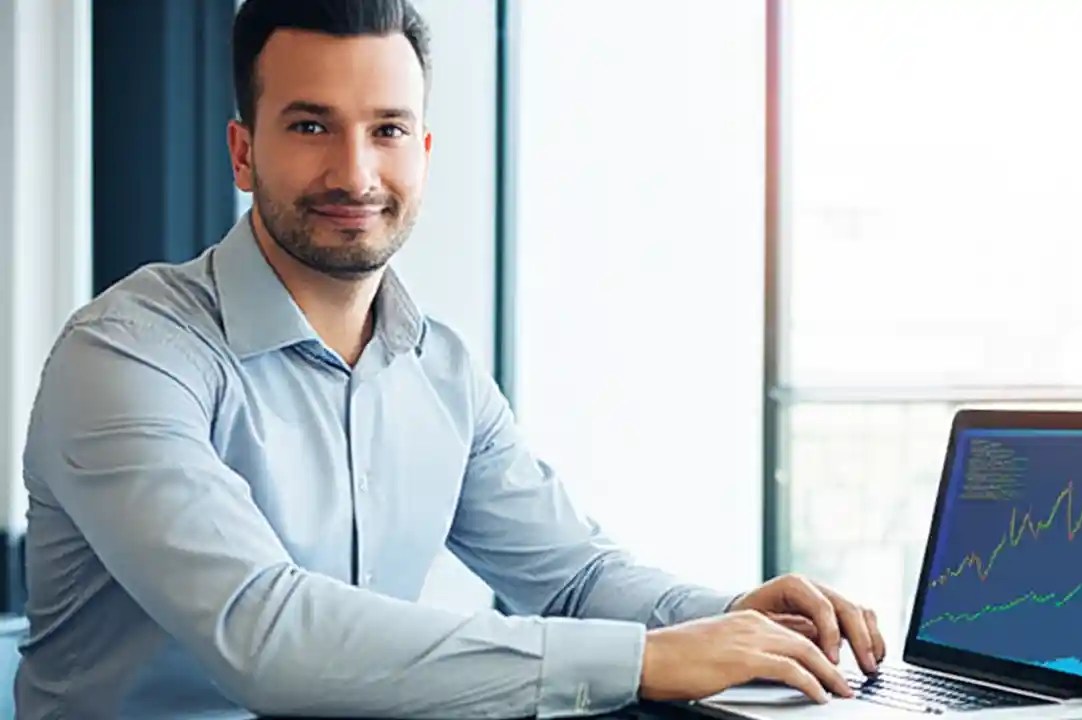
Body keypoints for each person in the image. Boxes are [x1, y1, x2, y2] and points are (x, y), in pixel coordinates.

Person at [16, 1, 885, 717]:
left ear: (422, 154)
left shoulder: (439, 369)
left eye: (387, 129)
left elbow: (572, 576)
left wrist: (734, 617)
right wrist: (647, 658)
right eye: (312, 125)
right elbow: (266, 636)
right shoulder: (127, 355)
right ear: (245, 152)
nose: (354, 172)